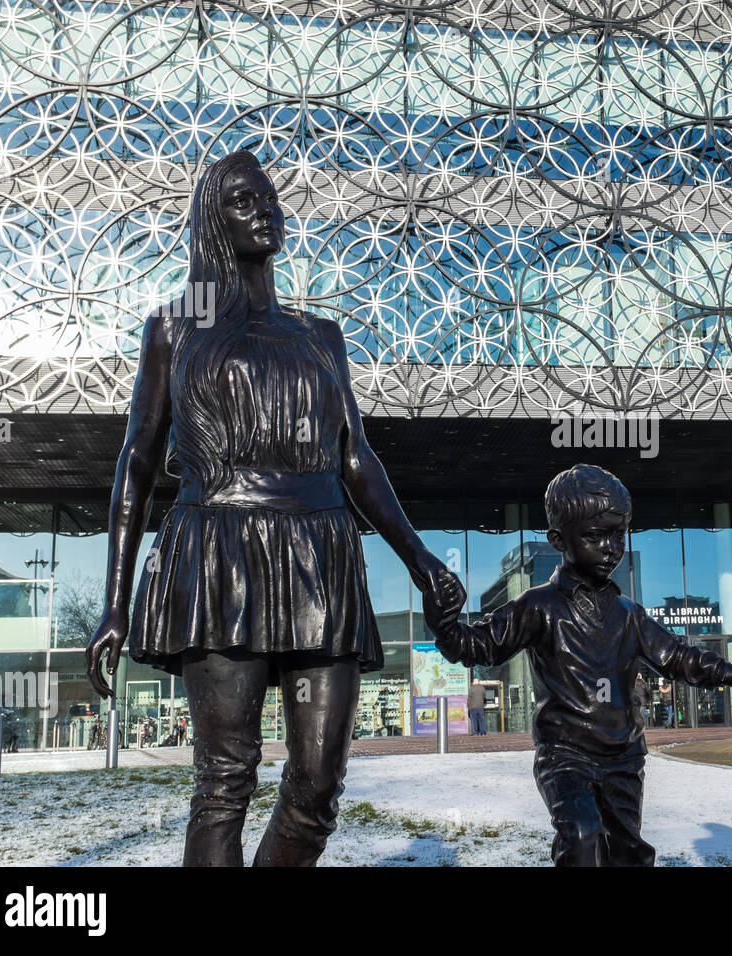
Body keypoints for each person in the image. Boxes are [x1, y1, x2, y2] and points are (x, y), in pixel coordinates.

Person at [85, 150, 453, 867]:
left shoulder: (321, 336)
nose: (266, 211)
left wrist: (419, 556)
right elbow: (135, 460)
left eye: (270, 198)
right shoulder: (175, 324)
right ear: (212, 224)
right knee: (224, 781)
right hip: (218, 552)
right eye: (243, 201)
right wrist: (113, 604)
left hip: (320, 554)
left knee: (318, 783)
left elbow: (356, 460)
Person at [424, 464, 732, 866]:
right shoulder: (537, 607)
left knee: (627, 853)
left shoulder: (629, 614)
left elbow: (682, 658)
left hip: (624, 757)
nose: (611, 547)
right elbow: (477, 647)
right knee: (580, 835)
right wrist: (443, 621)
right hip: (565, 754)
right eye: (595, 536)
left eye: (619, 534)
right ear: (559, 539)